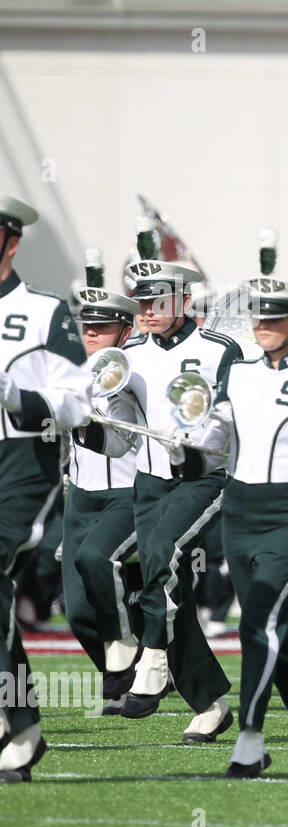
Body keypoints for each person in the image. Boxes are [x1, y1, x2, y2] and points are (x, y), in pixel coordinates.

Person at [188, 274, 288, 777]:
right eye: (259, 317)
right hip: (238, 510)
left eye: (275, 318)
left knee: (254, 623)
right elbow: (213, 440)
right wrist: (191, 435)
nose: (263, 326)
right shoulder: (235, 374)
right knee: (271, 629)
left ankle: (252, 738)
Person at [105, 236, 237, 742]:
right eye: (141, 301)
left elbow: (225, 422)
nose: (148, 311)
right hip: (149, 478)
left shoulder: (219, 348)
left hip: (203, 476)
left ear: (184, 301)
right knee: (162, 584)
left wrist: (195, 444)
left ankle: (153, 656)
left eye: (159, 301)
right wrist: (95, 415)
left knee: (162, 552)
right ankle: (210, 701)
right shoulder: (129, 353)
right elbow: (117, 440)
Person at [0, 193, 93, 783]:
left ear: (10, 242)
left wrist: (17, 397)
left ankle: (20, 720)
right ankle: (20, 724)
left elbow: (79, 399)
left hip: (20, 459)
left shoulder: (43, 310)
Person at [65, 251, 147, 714]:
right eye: (86, 325)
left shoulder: (133, 368)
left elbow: (123, 435)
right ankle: (121, 672)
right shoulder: (69, 366)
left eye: (102, 327)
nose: (90, 333)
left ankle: (132, 667)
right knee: (77, 607)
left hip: (126, 489)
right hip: (80, 490)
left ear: (124, 329)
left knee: (111, 569)